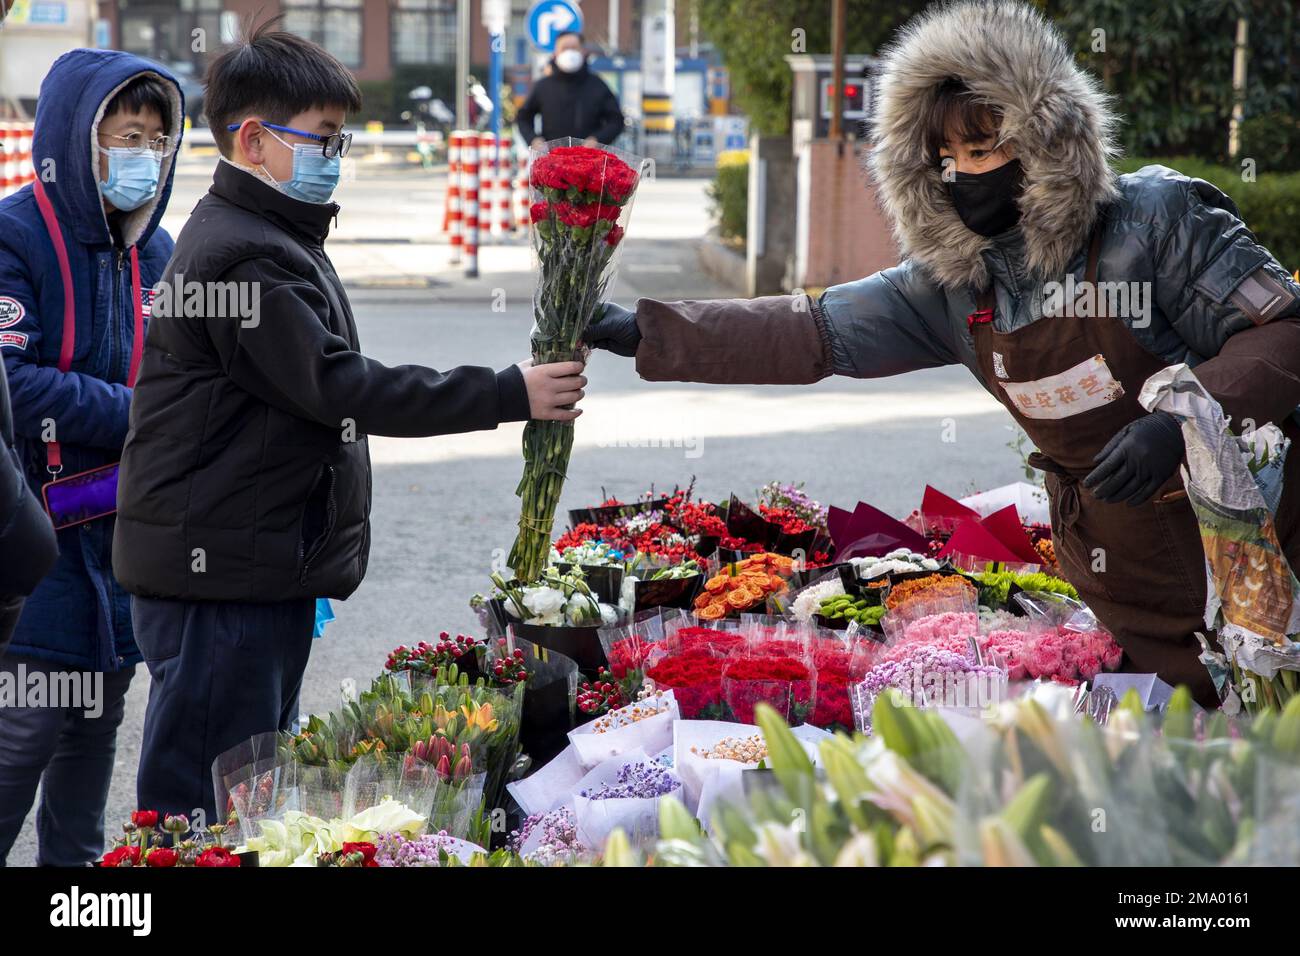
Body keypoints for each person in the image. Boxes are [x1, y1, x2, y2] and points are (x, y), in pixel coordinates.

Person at [583, 0, 1300, 708]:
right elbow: (814, 330)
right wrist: (651, 333)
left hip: (1256, 565)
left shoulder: (1154, 221)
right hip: (1127, 590)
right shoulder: (952, 286)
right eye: (946, 159)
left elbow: (1284, 334)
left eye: (983, 150)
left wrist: (1179, 421)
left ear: (1047, 142)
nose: (962, 175)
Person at [112, 25, 586, 824]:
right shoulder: (245, 257)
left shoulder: (268, 232)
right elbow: (342, 387)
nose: (337, 156)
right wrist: (509, 392)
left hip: (246, 571)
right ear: (255, 140)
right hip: (219, 583)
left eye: (342, 137)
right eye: (323, 138)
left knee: (248, 786)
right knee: (204, 800)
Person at [0, 51, 183, 865]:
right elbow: (12, 378)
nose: (144, 154)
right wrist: (141, 417)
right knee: (22, 736)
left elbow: (188, 377)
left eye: (157, 138)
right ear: (78, 137)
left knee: (93, 732)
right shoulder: (15, 233)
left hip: (119, 533)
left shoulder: (159, 249)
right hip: (30, 530)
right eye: (126, 135)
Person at [516, 31, 625, 148]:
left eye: (574, 48)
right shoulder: (543, 86)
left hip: (589, 160)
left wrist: (598, 139)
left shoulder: (597, 85)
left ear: (583, 52)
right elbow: (523, 117)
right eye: (564, 48)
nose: (569, 53)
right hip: (552, 160)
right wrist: (534, 139)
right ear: (555, 53)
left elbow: (616, 120)